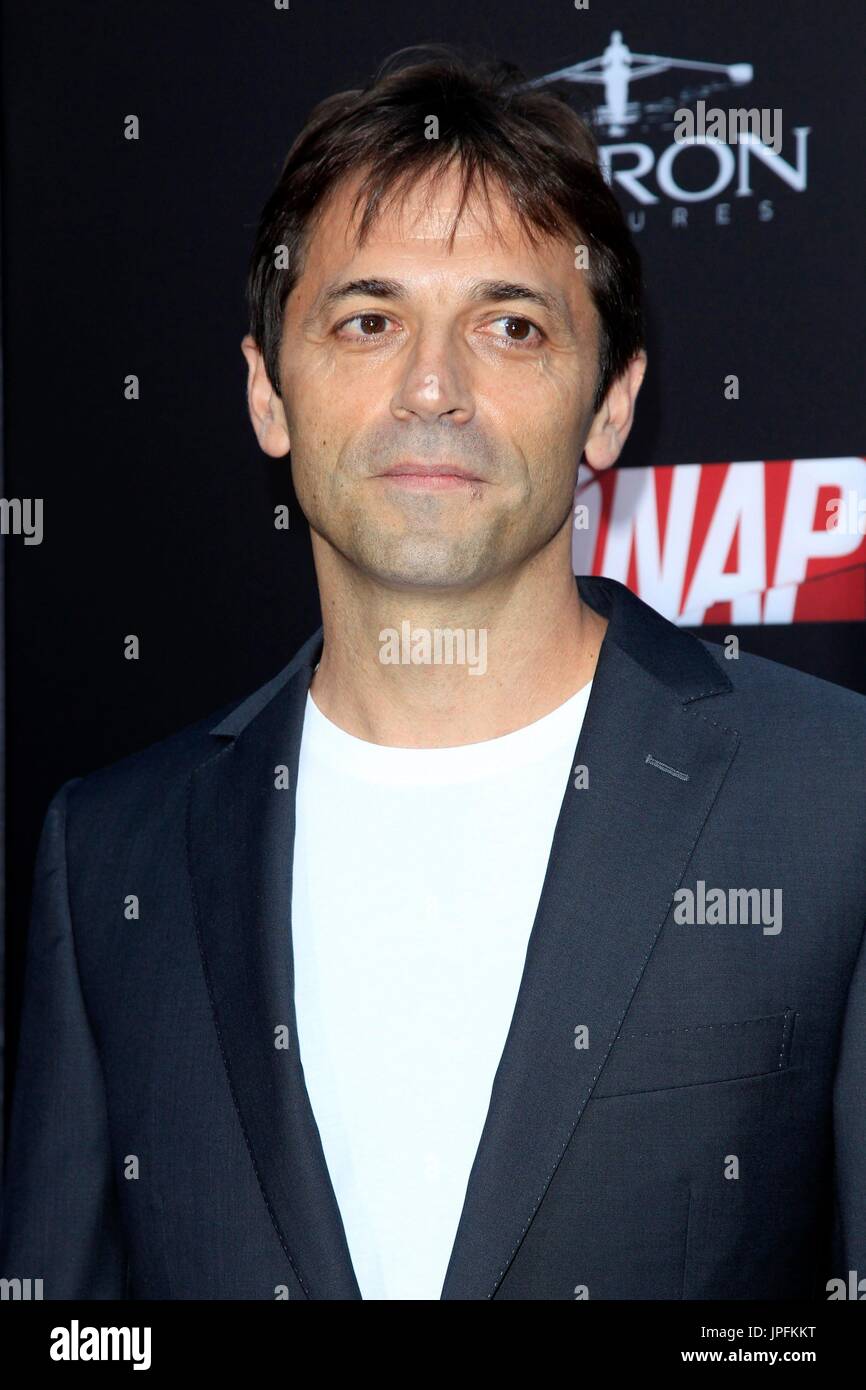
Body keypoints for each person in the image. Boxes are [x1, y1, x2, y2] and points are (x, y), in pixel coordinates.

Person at [1, 45, 864, 1302]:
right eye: (366, 320)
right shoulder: (111, 854)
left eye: (509, 326)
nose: (431, 388)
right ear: (267, 394)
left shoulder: (832, 798)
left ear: (609, 407)